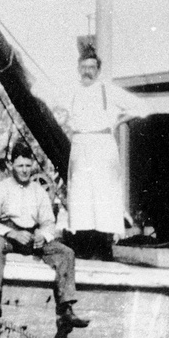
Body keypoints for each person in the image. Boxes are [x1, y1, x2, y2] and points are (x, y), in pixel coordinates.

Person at [0, 141, 89, 331]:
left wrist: (43, 236)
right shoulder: (1, 189)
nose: (24, 170)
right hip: (8, 235)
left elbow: (49, 223)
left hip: (32, 237)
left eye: (28, 166)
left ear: (32, 165)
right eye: (20, 165)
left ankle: (65, 309)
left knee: (66, 253)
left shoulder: (39, 192)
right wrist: (12, 233)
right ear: (12, 165)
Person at [65, 46, 150, 258]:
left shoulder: (109, 90)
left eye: (92, 67)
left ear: (98, 69)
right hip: (80, 144)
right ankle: (83, 247)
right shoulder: (71, 90)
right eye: (83, 67)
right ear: (78, 68)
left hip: (102, 145)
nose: (87, 71)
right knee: (81, 196)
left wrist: (120, 120)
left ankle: (103, 248)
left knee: (104, 196)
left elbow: (142, 107)